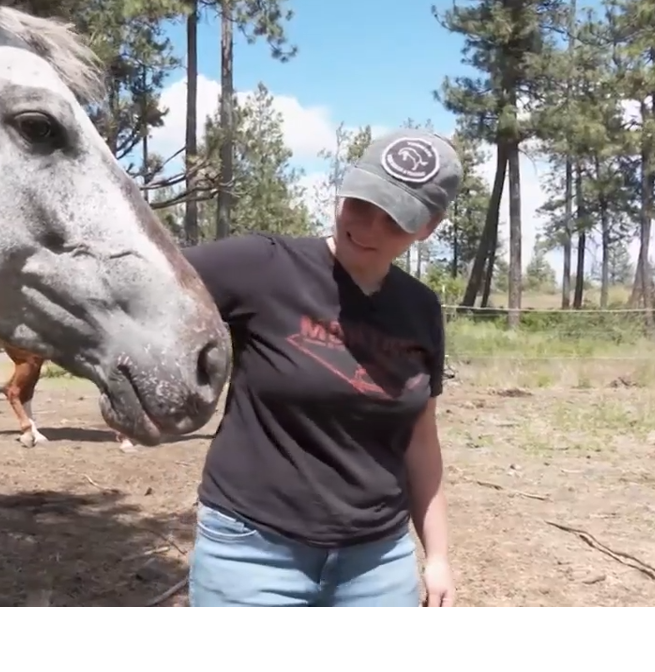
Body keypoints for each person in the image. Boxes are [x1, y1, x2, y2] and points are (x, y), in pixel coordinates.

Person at [180, 128, 460, 607]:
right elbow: (143, 286)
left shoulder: (420, 307)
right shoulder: (262, 266)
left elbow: (421, 439)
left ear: (427, 227)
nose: (366, 227)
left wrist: (437, 556)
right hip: (252, 553)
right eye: (359, 203)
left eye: (392, 219)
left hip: (378, 562)